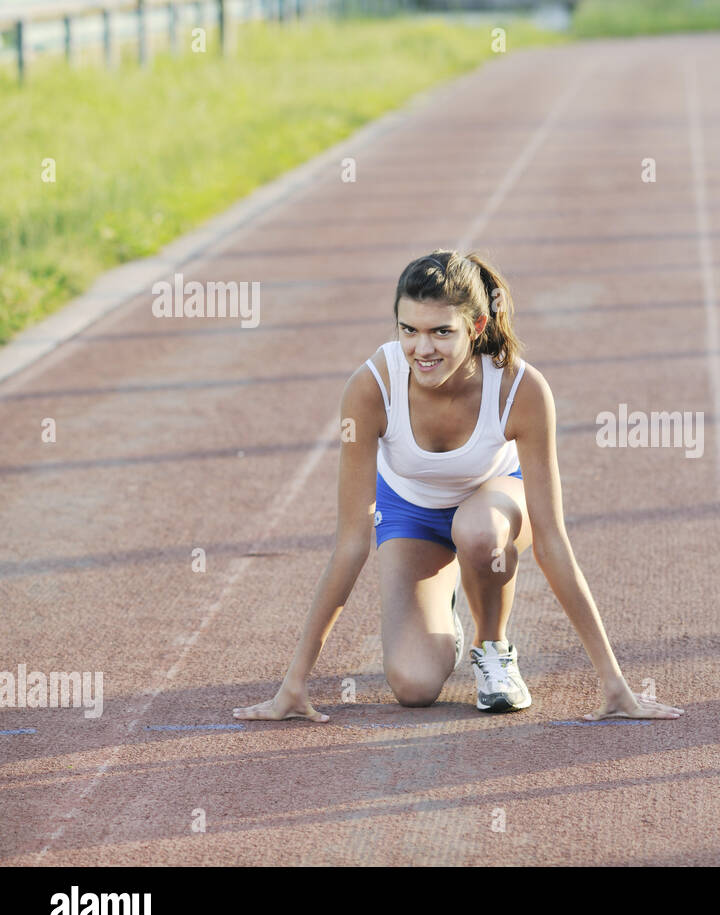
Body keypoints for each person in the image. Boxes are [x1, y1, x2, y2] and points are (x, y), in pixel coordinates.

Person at [235, 250, 682, 723]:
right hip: (411, 511)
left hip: (494, 502)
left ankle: (492, 646)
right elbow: (350, 544)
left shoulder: (519, 388)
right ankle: (443, 596)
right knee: (413, 686)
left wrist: (614, 684)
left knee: (479, 532)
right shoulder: (370, 388)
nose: (422, 349)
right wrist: (294, 683)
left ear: (476, 325)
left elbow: (552, 542)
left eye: (441, 332)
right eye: (409, 330)